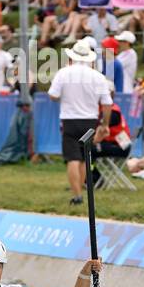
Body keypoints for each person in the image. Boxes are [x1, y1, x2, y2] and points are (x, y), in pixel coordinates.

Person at [47, 38, 112, 205]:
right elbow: (107, 104)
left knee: (72, 158)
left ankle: (77, 195)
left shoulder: (63, 73)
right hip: (90, 119)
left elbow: (53, 95)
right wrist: (104, 125)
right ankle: (81, 190)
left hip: (69, 119)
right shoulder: (98, 76)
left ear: (72, 56)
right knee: (84, 158)